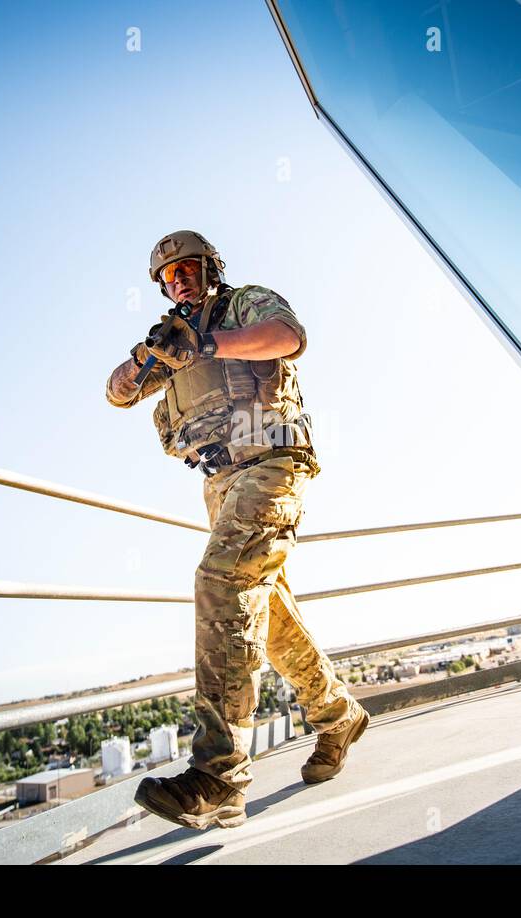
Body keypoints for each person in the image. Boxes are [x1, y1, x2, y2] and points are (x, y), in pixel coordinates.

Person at [104, 229, 369, 830]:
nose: (178, 280)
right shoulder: (169, 341)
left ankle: (219, 777)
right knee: (267, 621)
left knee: (221, 586)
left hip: (270, 458)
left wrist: (205, 342)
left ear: (210, 268)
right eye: (167, 277)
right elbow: (117, 393)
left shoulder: (243, 306)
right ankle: (338, 714)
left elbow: (288, 337)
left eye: (187, 268)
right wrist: (150, 358)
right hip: (219, 483)